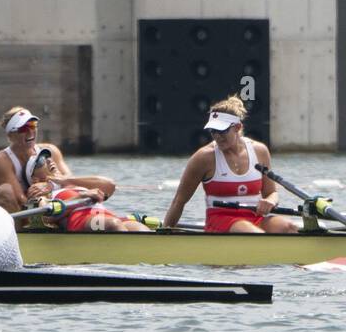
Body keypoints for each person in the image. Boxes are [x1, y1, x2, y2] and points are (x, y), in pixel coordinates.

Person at [161, 95, 297, 233]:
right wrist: (164, 234)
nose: (217, 136)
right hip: (221, 221)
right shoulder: (203, 158)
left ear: (237, 127)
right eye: (213, 131)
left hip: (256, 218)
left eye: (222, 130)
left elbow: (271, 192)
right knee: (255, 234)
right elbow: (179, 201)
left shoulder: (260, 151)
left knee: (290, 228)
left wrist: (270, 202)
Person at [23, 150, 151, 232]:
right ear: (34, 179)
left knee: (141, 230)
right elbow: (43, 216)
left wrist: (66, 180)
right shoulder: (39, 192)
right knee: (114, 224)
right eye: (41, 161)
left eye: (48, 157)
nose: (49, 160)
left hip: (105, 215)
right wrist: (82, 196)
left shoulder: (69, 184)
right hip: (81, 221)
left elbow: (109, 185)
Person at [0, 107, 74, 212]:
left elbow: (69, 181)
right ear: (10, 135)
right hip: (14, 210)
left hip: (41, 204)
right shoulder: (1, 162)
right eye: (23, 129)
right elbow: (22, 201)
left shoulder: (51, 151)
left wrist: (49, 186)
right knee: (7, 191)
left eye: (33, 125)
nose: (30, 131)